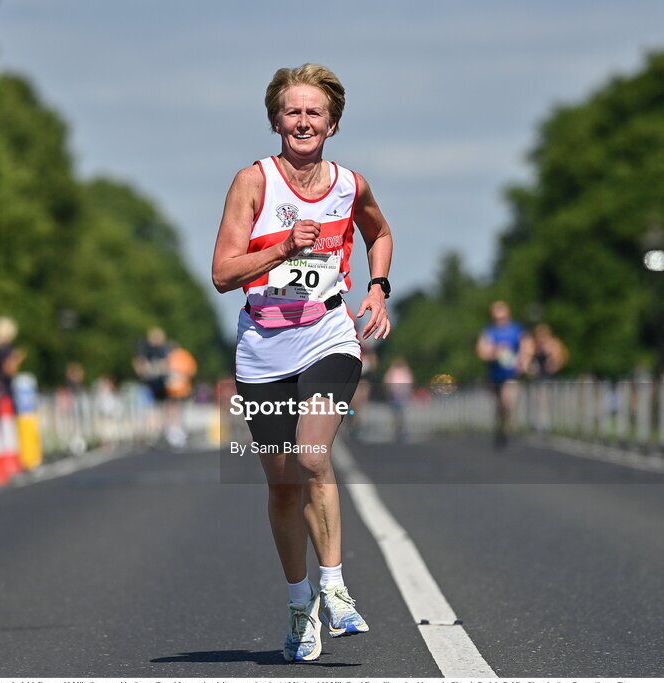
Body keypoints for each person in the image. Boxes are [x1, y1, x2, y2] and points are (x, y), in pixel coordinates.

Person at [212, 64, 392, 662]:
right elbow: (221, 274)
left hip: (327, 334)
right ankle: (299, 604)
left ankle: (335, 587)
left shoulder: (350, 184)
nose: (304, 121)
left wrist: (377, 288)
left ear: (333, 123)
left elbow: (379, 233)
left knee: (313, 455)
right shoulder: (253, 183)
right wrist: (283, 246)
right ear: (275, 120)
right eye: (293, 111)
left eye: (315, 112)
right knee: (284, 484)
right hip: (263, 347)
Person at [476, 301, 531, 448]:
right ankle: (501, 426)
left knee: (508, 401)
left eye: (503, 316)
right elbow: (482, 352)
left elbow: (527, 346)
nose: (500, 320)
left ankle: (505, 428)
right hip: (494, 375)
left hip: (511, 374)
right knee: (499, 405)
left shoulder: (516, 329)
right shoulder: (489, 331)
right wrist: (495, 351)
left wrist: (524, 361)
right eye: (497, 317)